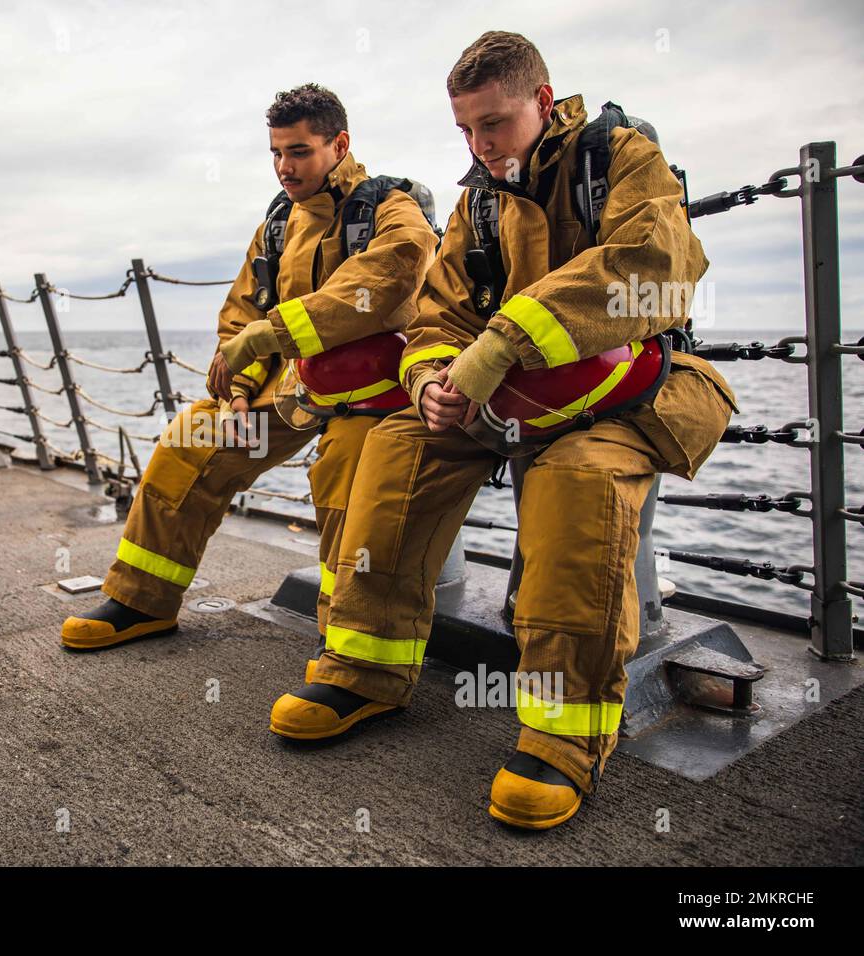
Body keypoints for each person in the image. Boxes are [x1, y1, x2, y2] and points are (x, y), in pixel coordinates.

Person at [269, 32, 739, 830]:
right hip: (498, 401)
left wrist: (501, 345)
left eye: (495, 124)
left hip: (624, 397)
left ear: (543, 104)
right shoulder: (477, 200)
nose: (480, 146)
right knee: (394, 449)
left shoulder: (620, 159)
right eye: (465, 130)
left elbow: (652, 267)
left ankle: (563, 740)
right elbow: (438, 314)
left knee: (576, 484)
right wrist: (428, 383)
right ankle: (366, 669)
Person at [60, 83, 437, 652]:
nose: (285, 167)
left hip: (370, 397)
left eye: (299, 152)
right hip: (285, 390)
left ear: (340, 143)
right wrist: (237, 389)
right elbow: (244, 310)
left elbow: (384, 283)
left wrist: (269, 334)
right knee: (190, 442)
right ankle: (141, 600)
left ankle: (352, 648)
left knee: (346, 486)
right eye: (276, 154)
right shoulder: (278, 223)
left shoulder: (391, 210)